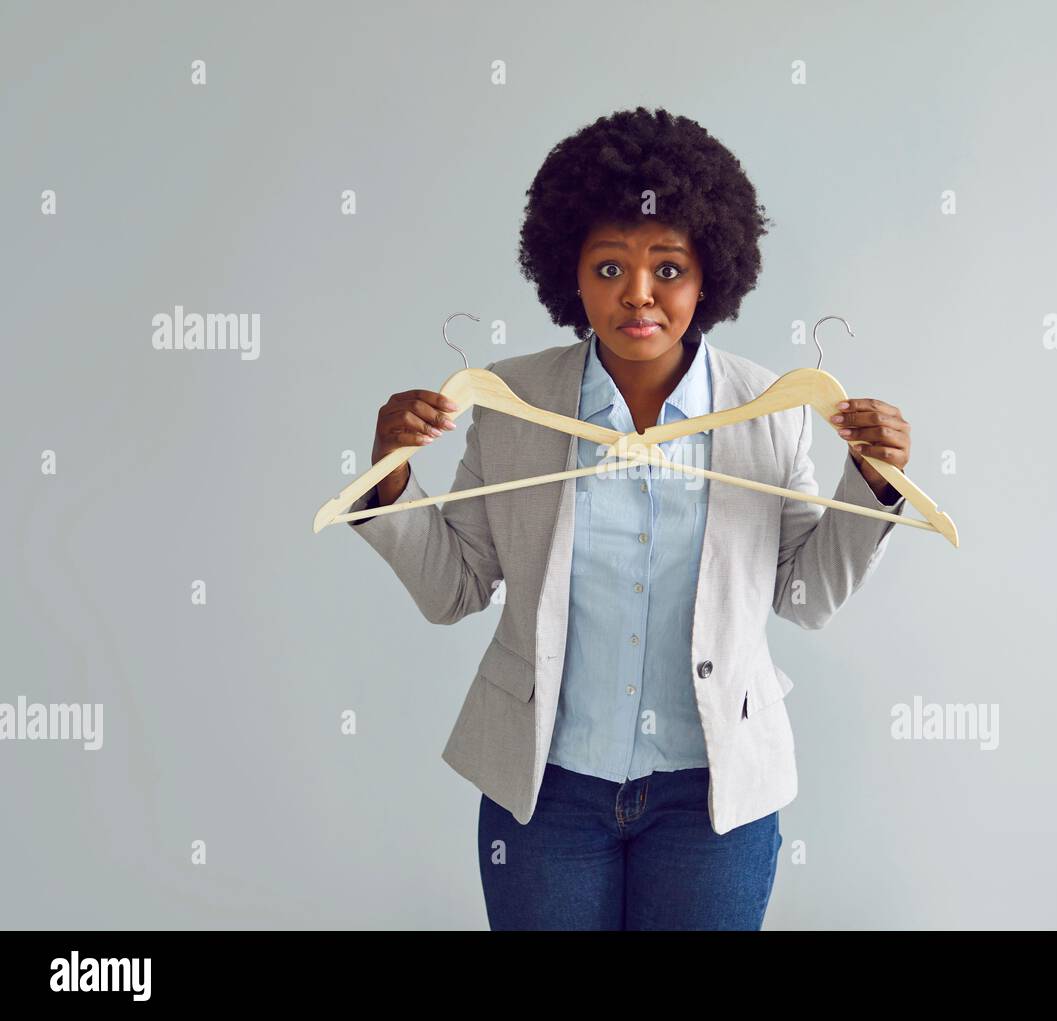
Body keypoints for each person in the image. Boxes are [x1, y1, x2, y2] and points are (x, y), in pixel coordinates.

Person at [346, 106, 913, 930]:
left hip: (711, 795)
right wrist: (390, 477)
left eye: (668, 269)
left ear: (709, 274)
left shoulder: (768, 407)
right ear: (568, 274)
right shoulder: (515, 404)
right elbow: (456, 585)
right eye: (609, 268)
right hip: (546, 794)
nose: (638, 295)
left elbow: (805, 594)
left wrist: (872, 483)